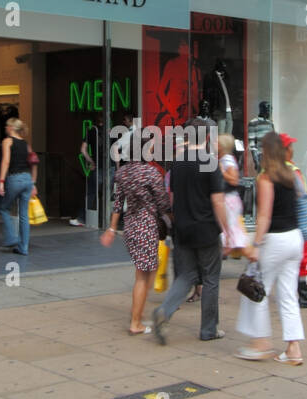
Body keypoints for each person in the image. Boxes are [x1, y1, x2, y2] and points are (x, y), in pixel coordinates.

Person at [151, 118, 228, 343]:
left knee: (185, 276)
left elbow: (172, 198)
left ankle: (165, 310)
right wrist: (225, 229)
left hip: (182, 229)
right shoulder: (210, 163)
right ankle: (209, 330)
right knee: (211, 278)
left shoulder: (177, 164)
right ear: (205, 138)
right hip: (206, 229)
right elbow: (218, 202)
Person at [234, 132, 305, 363]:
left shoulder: (265, 178)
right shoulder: (290, 174)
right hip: (295, 238)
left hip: (275, 240)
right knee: (288, 295)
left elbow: (264, 216)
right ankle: (293, 348)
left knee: (255, 290)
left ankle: (261, 343)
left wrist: (256, 244)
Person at [99, 139, 172, 335]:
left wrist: (112, 229)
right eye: (150, 148)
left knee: (148, 269)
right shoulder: (151, 173)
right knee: (142, 276)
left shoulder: (122, 173)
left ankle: (138, 312)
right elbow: (163, 204)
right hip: (147, 227)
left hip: (130, 227)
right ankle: (135, 322)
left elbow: (117, 203)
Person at [282, 135, 307, 308]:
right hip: (298, 222)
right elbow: (302, 197)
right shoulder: (292, 171)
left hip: (282, 224)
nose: (293, 149)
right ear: (285, 150)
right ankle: (305, 296)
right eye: (290, 146)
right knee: (306, 260)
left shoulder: (268, 171)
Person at [0, 118, 34, 255]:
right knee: (24, 214)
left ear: (11, 128)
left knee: (4, 208)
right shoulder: (26, 144)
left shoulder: (7, 141)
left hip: (15, 178)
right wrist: (33, 182)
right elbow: (33, 162)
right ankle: (23, 248)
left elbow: (6, 162)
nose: (5, 127)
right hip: (27, 178)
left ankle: (12, 237)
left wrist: (1, 181)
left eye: (7, 125)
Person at [216, 134, 248, 256]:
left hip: (229, 199)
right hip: (228, 199)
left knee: (231, 229)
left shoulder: (227, 160)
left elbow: (234, 180)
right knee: (232, 229)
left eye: (217, 143)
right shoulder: (225, 158)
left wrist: (221, 171)